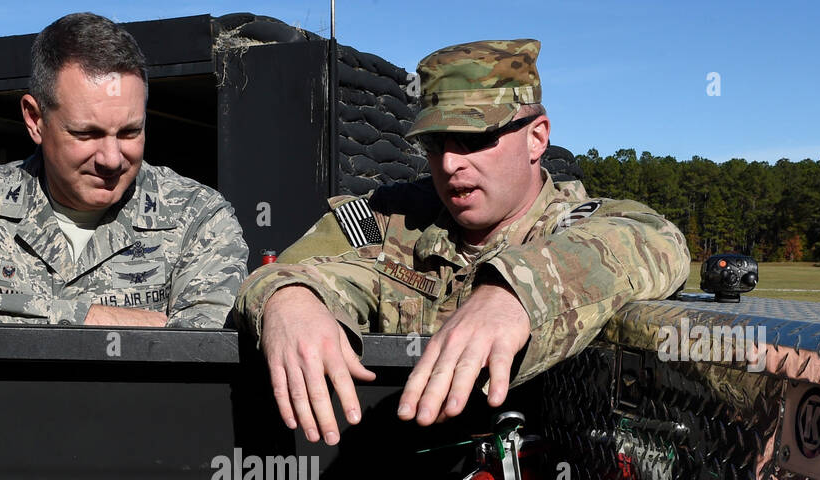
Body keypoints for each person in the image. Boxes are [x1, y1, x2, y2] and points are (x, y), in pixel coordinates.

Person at [233, 39, 690, 444]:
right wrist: (288, 298)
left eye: (473, 140)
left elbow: (655, 241)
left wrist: (515, 292)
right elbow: (297, 271)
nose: (450, 163)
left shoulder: (570, 227)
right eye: (435, 143)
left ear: (536, 139)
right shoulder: (394, 221)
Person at [0, 12, 247, 328]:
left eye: (130, 132)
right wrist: (118, 320)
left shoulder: (198, 217)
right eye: (87, 134)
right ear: (35, 120)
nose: (112, 158)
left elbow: (201, 350)